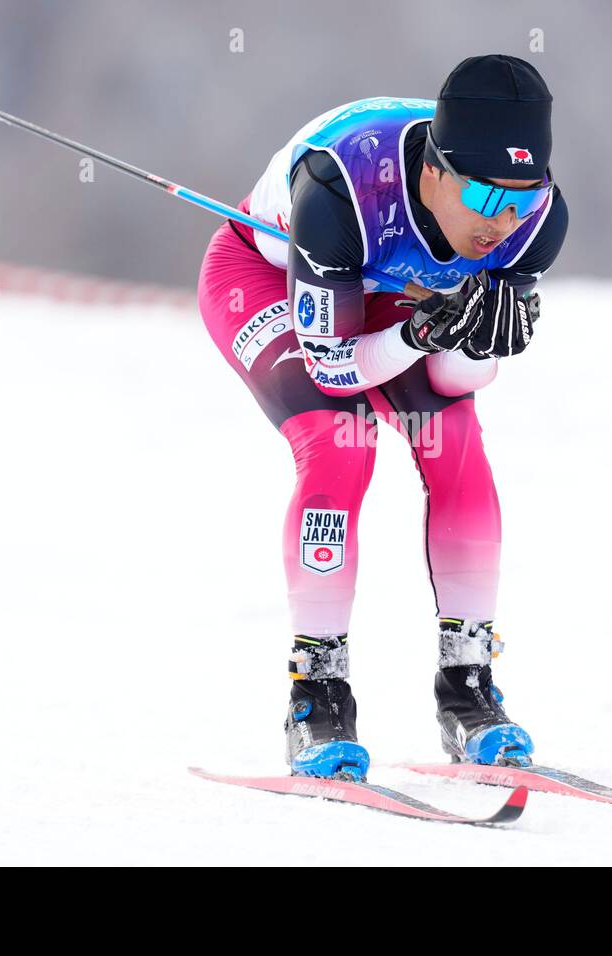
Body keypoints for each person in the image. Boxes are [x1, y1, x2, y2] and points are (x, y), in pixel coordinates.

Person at [196, 54, 569, 780]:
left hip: (388, 291)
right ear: (434, 172)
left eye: (522, 201)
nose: (504, 223)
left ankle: (468, 693)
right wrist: (424, 332)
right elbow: (334, 367)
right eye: (488, 199)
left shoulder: (535, 218)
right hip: (267, 276)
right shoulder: (341, 187)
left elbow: (457, 381)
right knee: (341, 441)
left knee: (454, 440)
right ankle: (318, 698)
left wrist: (476, 340)